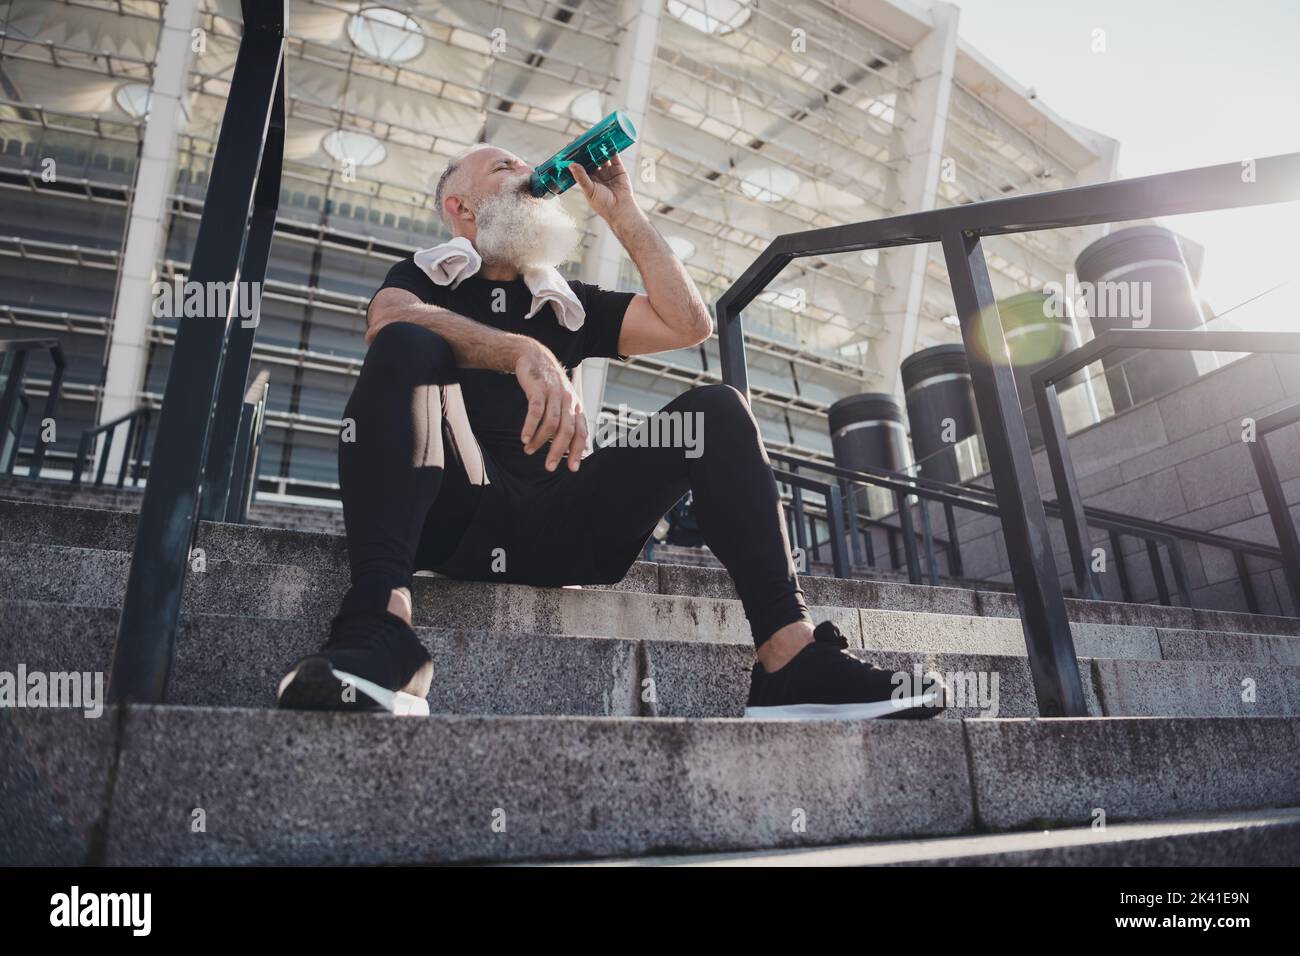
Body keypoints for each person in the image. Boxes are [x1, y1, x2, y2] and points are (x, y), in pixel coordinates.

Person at [275, 144, 944, 720]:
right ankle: (380, 630)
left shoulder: (564, 304)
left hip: (568, 532)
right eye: (505, 167)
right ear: (460, 208)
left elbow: (687, 325)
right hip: (459, 520)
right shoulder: (426, 276)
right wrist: (519, 352)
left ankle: (789, 658)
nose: (531, 174)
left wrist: (621, 210)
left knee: (714, 410)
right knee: (407, 343)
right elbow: (388, 320)